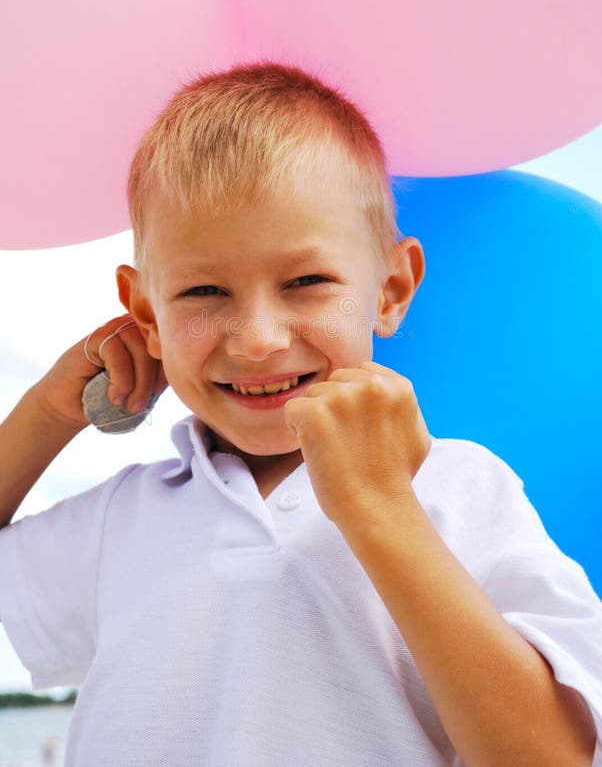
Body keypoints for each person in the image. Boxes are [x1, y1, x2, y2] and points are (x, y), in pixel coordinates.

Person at [0, 62, 600, 767]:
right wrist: (46, 411)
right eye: (202, 291)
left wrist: (378, 505)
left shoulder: (462, 487)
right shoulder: (122, 518)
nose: (256, 337)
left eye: (307, 281)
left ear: (391, 288)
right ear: (144, 314)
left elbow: (552, 755)